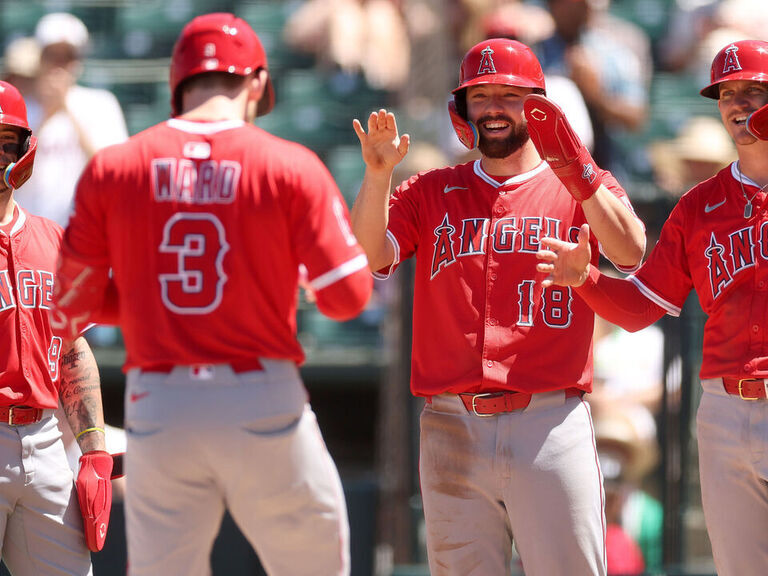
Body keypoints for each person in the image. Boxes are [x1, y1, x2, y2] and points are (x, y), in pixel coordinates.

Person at [50, 12, 373, 576]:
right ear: (256, 84)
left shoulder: (115, 166)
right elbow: (348, 298)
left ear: (179, 86)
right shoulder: (290, 163)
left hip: (159, 403)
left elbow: (72, 305)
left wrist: (149, 296)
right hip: (261, 395)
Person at [351, 38, 645, 575]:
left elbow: (631, 250)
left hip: (549, 422)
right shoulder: (431, 189)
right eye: (480, 96)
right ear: (463, 109)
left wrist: (580, 175)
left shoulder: (578, 186)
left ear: (538, 105)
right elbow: (373, 252)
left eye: (508, 96)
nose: (492, 109)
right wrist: (376, 176)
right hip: (451, 423)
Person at [536, 39, 768, 576]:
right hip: (726, 408)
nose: (738, 104)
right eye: (726, 93)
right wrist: (586, 279)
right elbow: (641, 307)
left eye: (753, 91)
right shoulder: (698, 207)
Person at [0, 80, 114, 573]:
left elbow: (71, 351)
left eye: (7, 142)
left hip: (46, 442)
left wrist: (94, 452)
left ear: (26, 149)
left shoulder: (53, 241)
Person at [13, 12, 128, 227]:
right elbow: (12, 172)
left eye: (67, 56)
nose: (59, 64)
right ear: (40, 58)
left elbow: (112, 171)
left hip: (82, 231)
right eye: (52, 55)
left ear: (78, 61)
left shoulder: (102, 103)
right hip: (29, 233)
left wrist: (65, 105)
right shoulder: (22, 107)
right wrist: (47, 115)